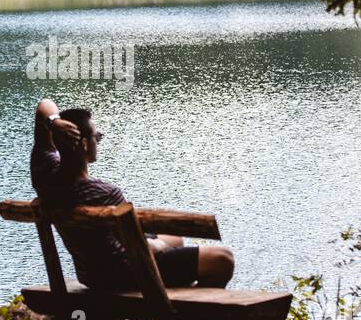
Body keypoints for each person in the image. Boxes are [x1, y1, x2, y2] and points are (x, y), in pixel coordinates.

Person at [30, 98, 235, 290]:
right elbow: (139, 247)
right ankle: (185, 318)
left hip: (89, 273)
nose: (99, 141)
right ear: (84, 144)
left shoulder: (45, 174)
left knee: (175, 239)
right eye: (97, 136)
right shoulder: (105, 193)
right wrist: (160, 246)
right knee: (223, 258)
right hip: (127, 273)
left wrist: (53, 122)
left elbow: (44, 106)